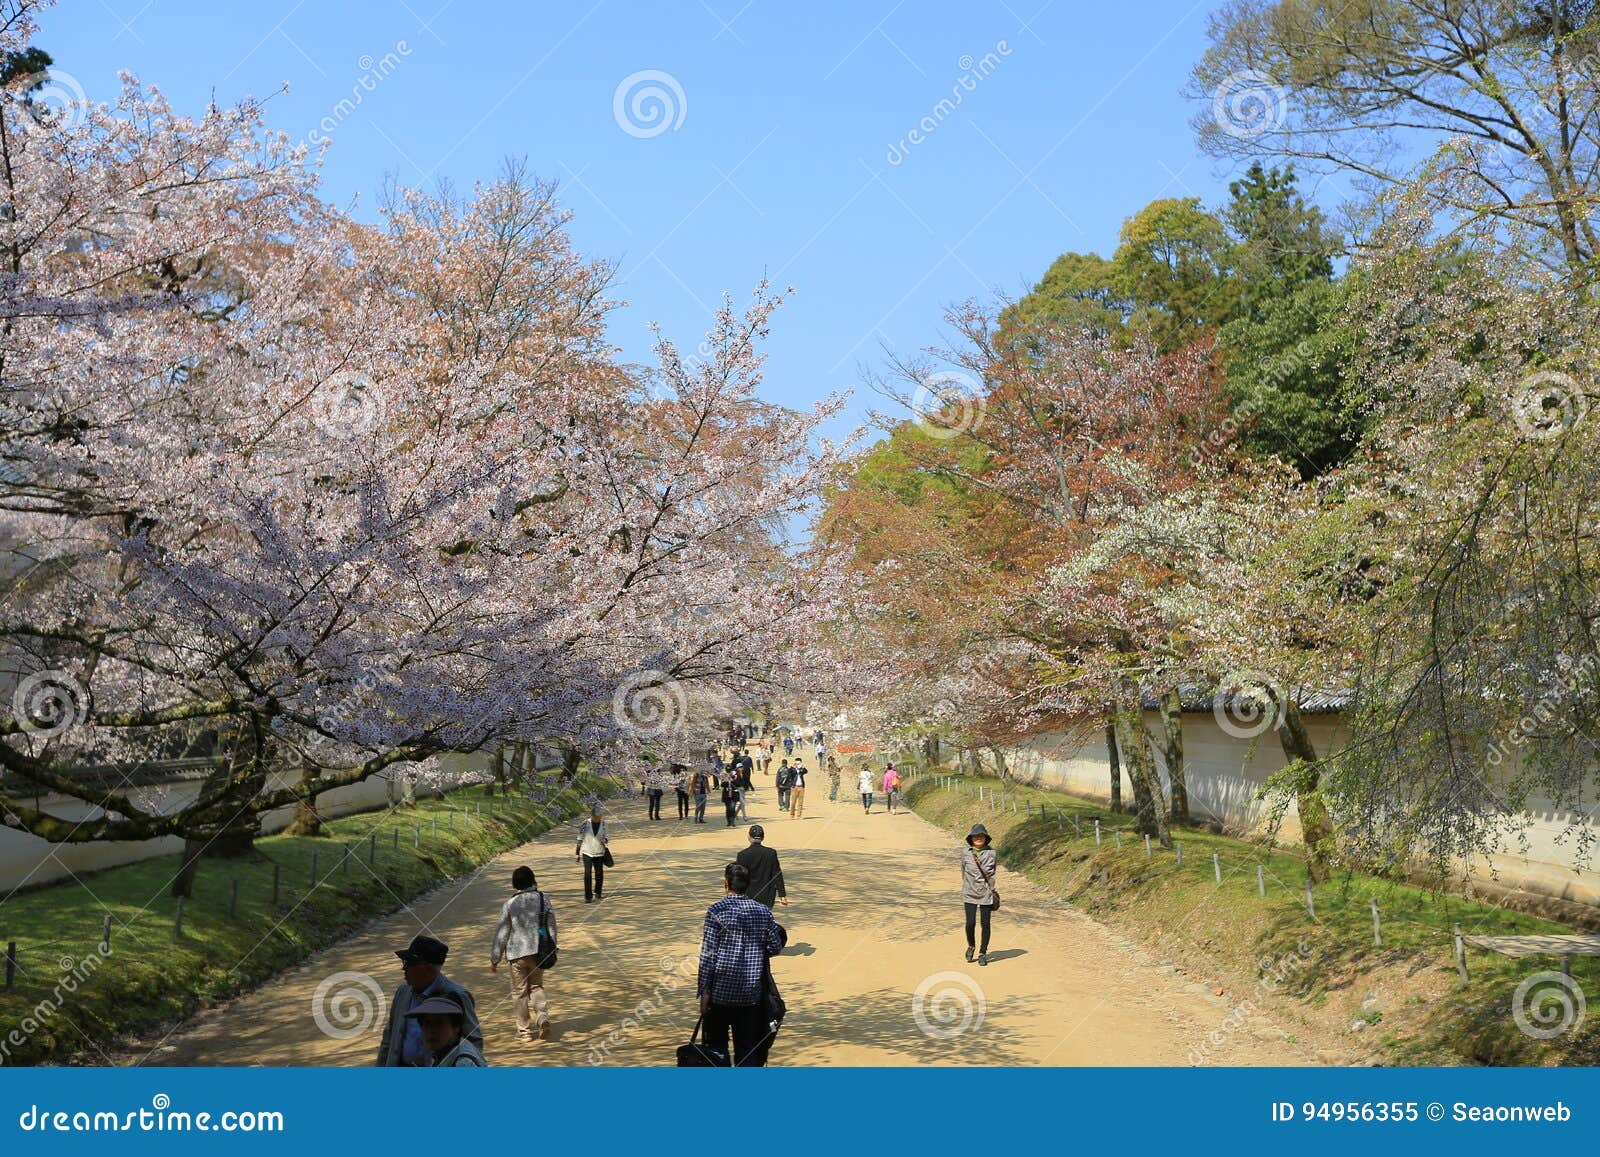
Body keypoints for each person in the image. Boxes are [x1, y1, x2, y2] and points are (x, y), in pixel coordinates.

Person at [697, 862, 787, 1067]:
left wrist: (704, 991)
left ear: (725, 883)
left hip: (720, 994)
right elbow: (775, 947)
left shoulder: (716, 911)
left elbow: (708, 955)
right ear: (748, 884)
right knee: (747, 1050)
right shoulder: (763, 912)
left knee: (716, 1050)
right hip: (751, 995)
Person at [375, 934, 483, 1066]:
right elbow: (389, 1038)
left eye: (408, 963)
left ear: (427, 967)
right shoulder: (403, 992)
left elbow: (473, 1041)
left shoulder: (457, 995)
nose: (404, 969)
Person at [490, 866, 555, 1043]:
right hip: (538, 952)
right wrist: (552, 946)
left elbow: (502, 932)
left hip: (516, 954)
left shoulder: (510, 904)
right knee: (536, 986)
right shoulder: (543, 898)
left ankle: (524, 1031)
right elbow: (551, 926)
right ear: (533, 879)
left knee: (519, 992)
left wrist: (495, 957)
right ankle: (542, 1017)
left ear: (515, 883)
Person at [403, 992, 486, 1067]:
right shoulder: (441, 1052)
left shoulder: (463, 1063)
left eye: (439, 1023)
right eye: (427, 1023)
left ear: (456, 1027)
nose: (431, 1030)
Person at [962, 823, 999, 966]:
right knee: (970, 923)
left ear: (985, 838)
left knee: (986, 924)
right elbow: (963, 871)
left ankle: (983, 952)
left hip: (986, 894)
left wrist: (988, 887)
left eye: (981, 836)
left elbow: (992, 872)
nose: (978, 838)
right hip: (969, 892)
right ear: (971, 839)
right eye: (975, 836)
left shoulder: (992, 853)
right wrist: (968, 885)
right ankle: (971, 945)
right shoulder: (965, 853)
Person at [736, 824, 788, 910]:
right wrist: (782, 895)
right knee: (764, 919)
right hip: (767, 895)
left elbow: (739, 877)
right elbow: (777, 874)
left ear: (749, 837)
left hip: (748, 895)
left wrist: (735, 895)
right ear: (763, 837)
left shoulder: (742, 855)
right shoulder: (771, 853)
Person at [574, 808, 608, 902]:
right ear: (592, 816)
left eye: (600, 817)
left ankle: (598, 892)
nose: (598, 819)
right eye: (596, 817)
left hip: (599, 852)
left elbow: (607, 836)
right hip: (587, 852)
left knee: (599, 873)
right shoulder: (585, 823)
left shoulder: (604, 823)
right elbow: (580, 838)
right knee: (587, 874)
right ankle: (588, 896)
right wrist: (577, 853)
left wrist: (604, 840)